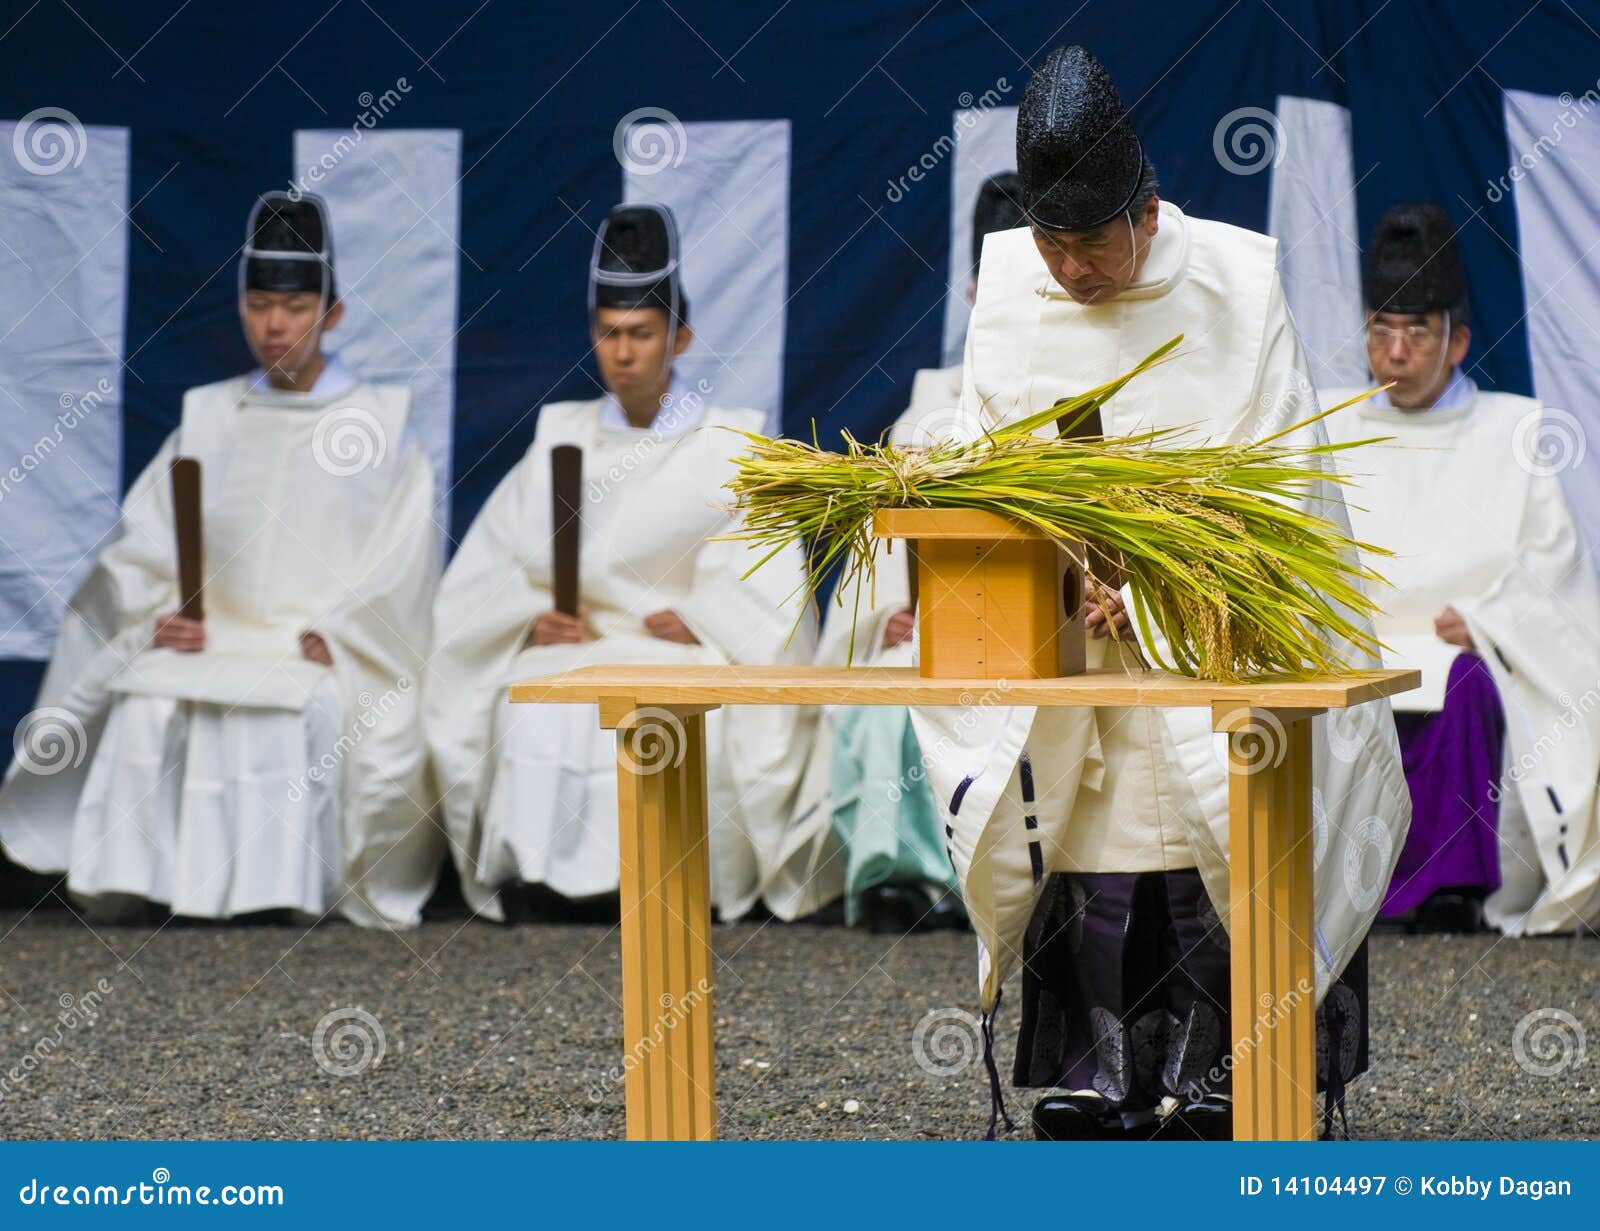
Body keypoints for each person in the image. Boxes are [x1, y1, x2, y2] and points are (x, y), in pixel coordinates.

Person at [910, 46, 1410, 1140]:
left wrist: (1154, 580)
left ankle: (1235, 1069)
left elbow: (1281, 483)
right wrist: (1043, 565)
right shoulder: (1014, 284)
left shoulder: (1236, 281)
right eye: (1051, 242)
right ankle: (1106, 1072)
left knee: (1215, 825)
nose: (1069, 269)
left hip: (1211, 626)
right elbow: (987, 459)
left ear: (1145, 211)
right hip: (1071, 639)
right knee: (1087, 827)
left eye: (1091, 242)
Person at [0, 192, 442, 927]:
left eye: (295, 308)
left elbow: (404, 559)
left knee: (311, 703)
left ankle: (285, 890)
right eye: (260, 305)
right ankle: (150, 883)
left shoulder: (381, 424)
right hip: (211, 637)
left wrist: (344, 631)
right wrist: (158, 615)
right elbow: (142, 543)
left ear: (332, 313)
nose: (275, 325)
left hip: (314, 648)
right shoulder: (207, 416)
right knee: (149, 693)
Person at [426, 203, 817, 925]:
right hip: (578, 645)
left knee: (675, 700)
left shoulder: (732, 443)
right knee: (537, 696)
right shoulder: (560, 438)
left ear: (680, 338)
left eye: (641, 333)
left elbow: (768, 582)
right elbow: (491, 567)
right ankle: (541, 875)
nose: (624, 352)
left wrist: (707, 618)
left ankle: (678, 874)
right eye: (609, 333)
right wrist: (527, 618)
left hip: (688, 650)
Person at [1323, 203, 1600, 937]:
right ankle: (1339, 885)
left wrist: (1490, 621)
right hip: (1353, 645)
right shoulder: (1326, 426)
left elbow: (1556, 569)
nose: (1396, 353)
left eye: (1417, 333)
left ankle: (1451, 887)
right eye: (1380, 330)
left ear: (1458, 341)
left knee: (1469, 682)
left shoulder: (1516, 429)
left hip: (1459, 652)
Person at [781, 173, 1026, 933]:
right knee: (892, 693)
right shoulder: (927, 414)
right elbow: (885, 551)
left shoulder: (1064, 399)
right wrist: (886, 610)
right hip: (933, 634)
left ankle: (994, 883)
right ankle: (903, 878)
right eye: (990, 289)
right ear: (973, 295)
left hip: (1030, 638)